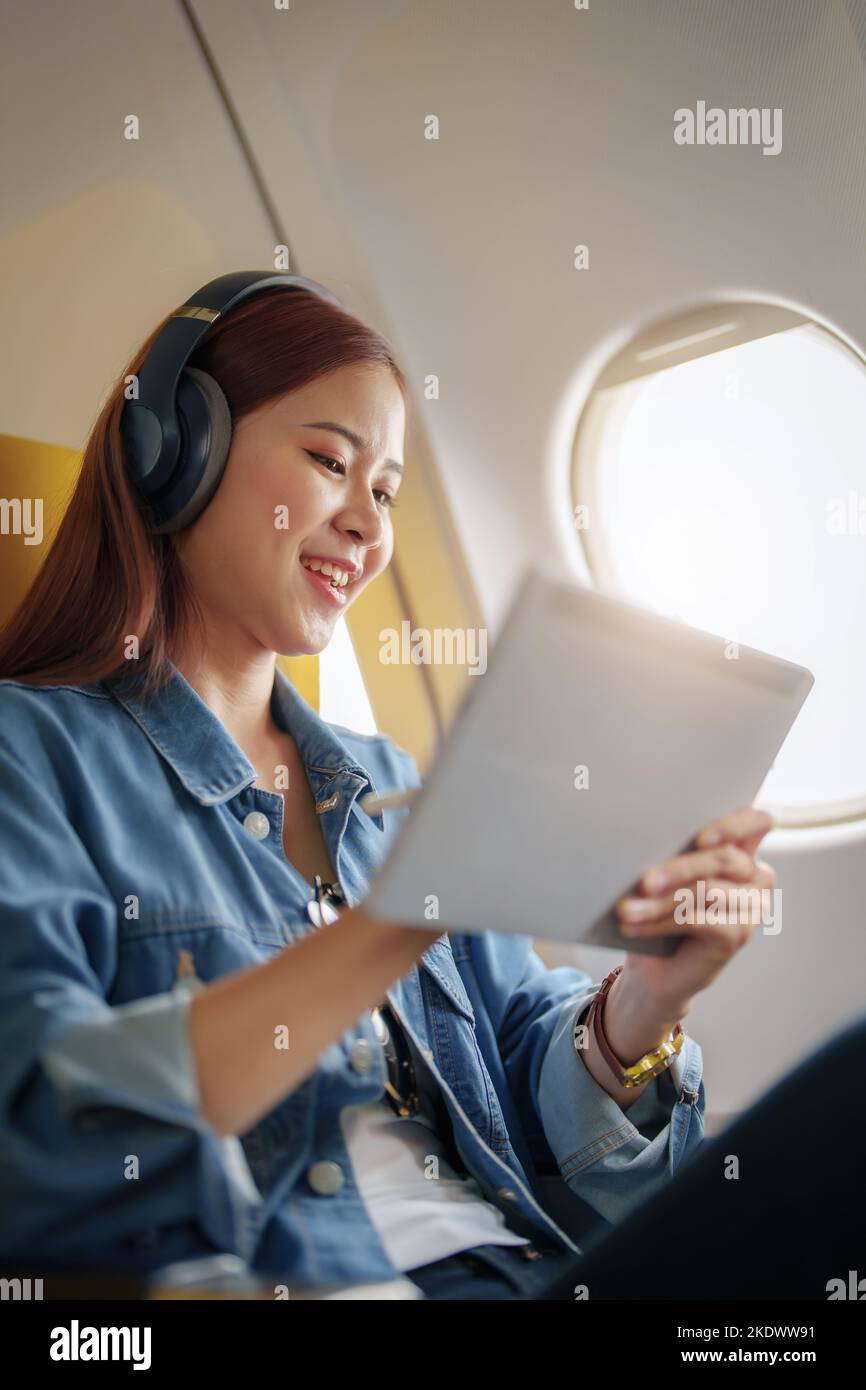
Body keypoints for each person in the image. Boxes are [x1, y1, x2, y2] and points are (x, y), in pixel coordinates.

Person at [0, 274, 861, 1301]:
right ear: (175, 450)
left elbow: (521, 1087)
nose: (366, 523)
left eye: (388, 492)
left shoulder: (388, 784)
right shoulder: (32, 754)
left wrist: (646, 1000)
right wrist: (400, 917)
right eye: (329, 461)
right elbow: (38, 1131)